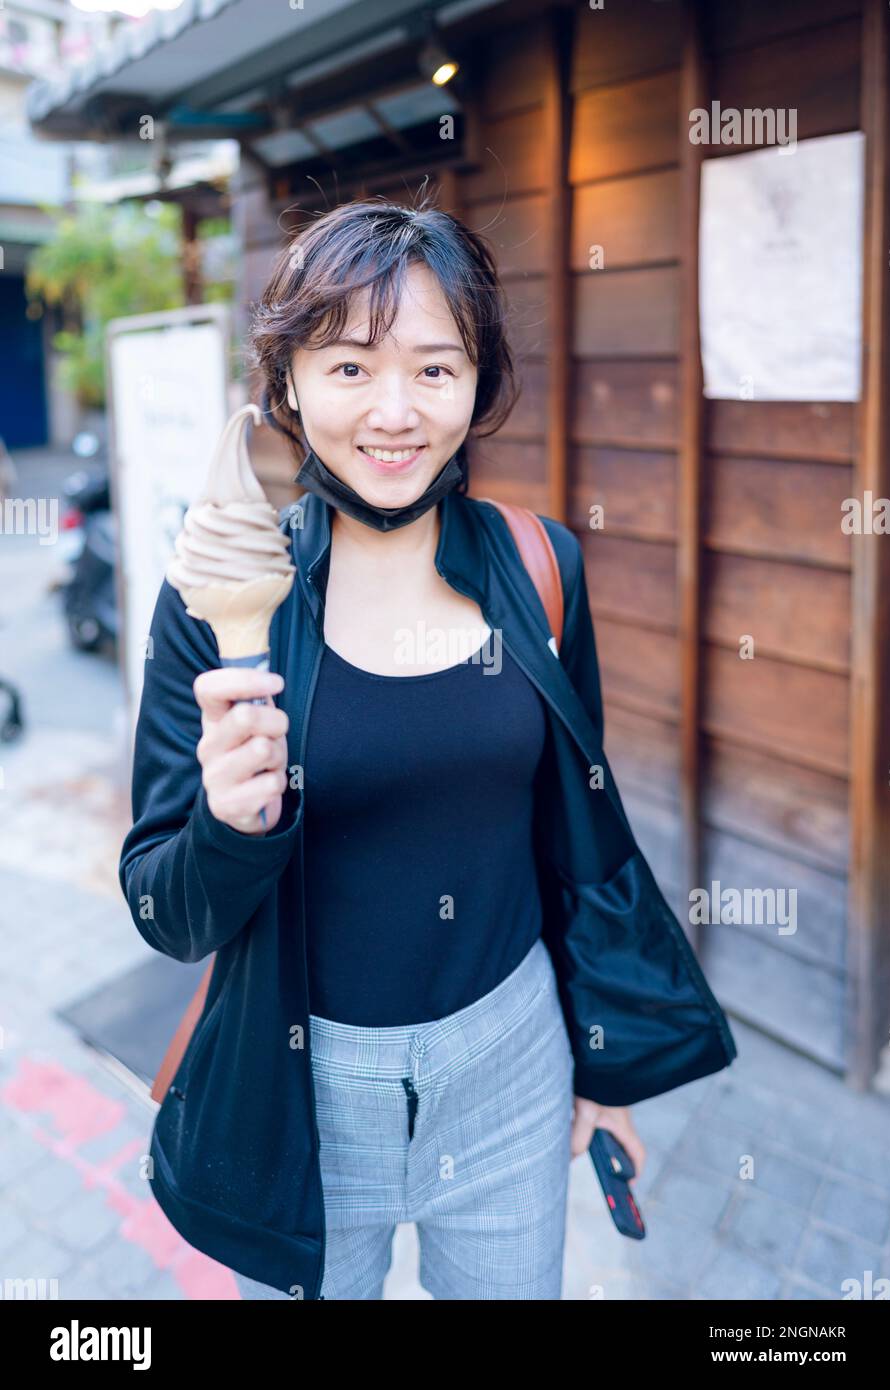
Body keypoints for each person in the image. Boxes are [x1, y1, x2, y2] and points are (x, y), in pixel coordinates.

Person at [119, 195, 735, 1302]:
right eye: (349, 367)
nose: (393, 412)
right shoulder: (219, 603)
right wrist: (224, 826)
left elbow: (578, 838)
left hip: (512, 1063)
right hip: (303, 1094)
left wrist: (609, 1073)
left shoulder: (538, 566)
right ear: (288, 384)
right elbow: (166, 912)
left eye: (433, 369)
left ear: (475, 382)